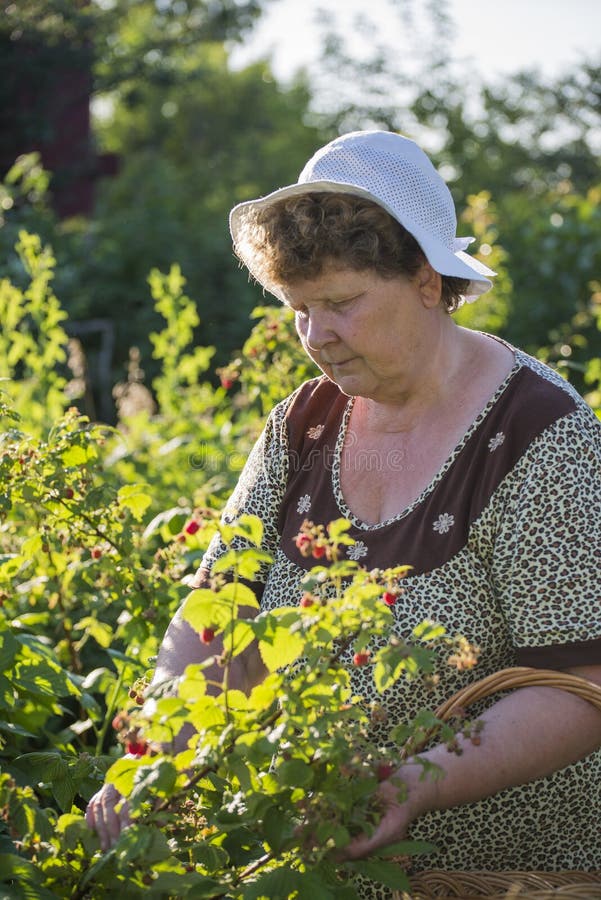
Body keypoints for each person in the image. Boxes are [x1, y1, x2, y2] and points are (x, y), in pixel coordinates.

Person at [86, 131, 601, 892]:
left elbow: (582, 683)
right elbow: (214, 609)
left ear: (428, 282)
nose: (315, 336)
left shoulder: (536, 437)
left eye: (341, 303)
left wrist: (409, 785)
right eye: (298, 309)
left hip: (509, 878)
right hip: (321, 868)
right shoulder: (305, 424)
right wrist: (153, 752)